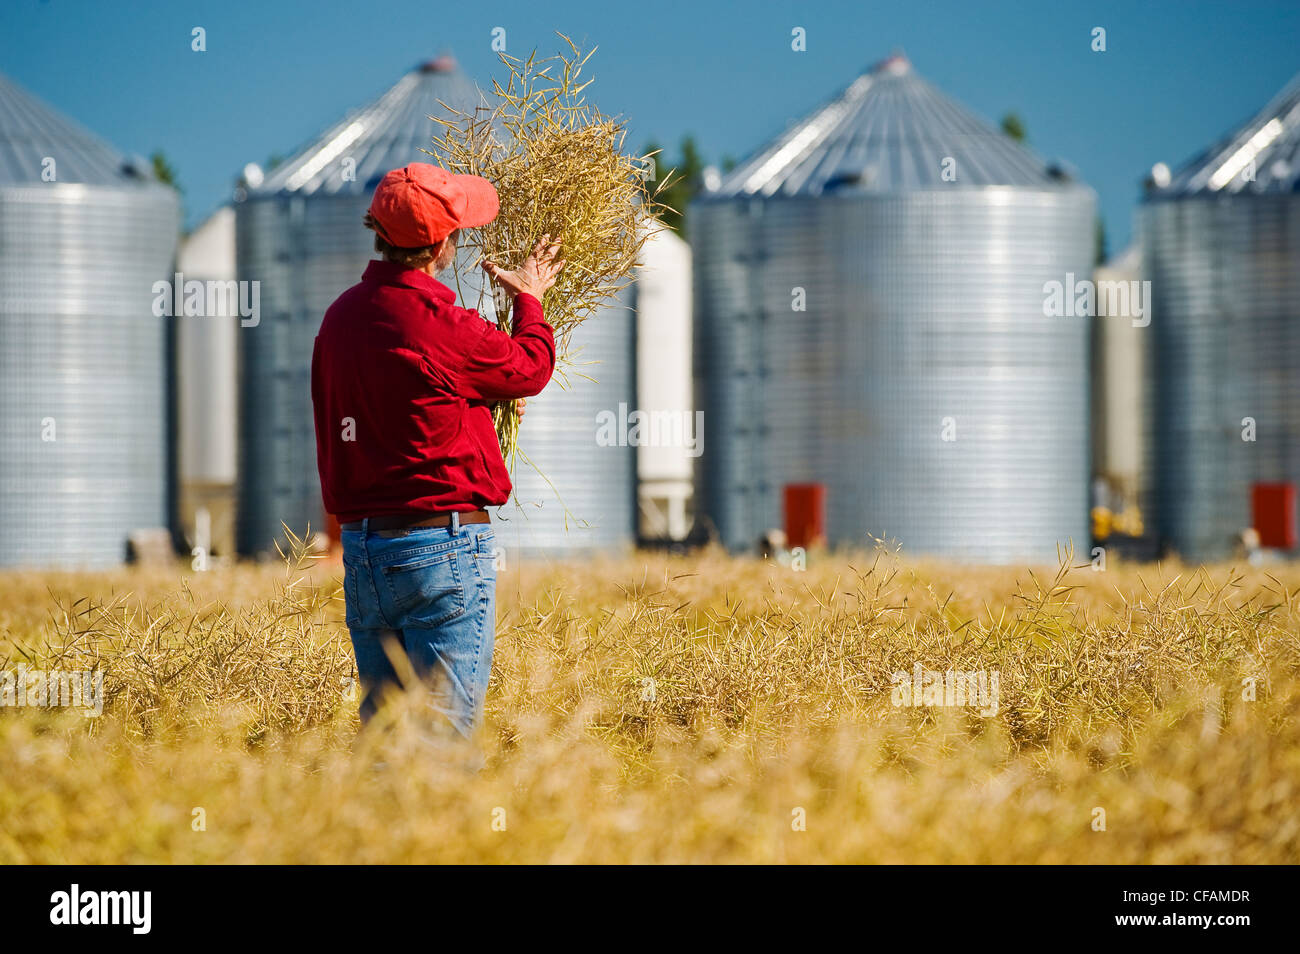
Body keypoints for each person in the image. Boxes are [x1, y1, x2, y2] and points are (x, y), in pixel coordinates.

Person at [311, 162, 563, 738]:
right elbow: (530, 367)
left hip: (364, 550)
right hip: (441, 547)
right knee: (443, 745)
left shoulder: (341, 317)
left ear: (377, 229)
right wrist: (530, 300)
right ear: (443, 243)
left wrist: (475, 409)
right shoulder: (443, 323)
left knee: (385, 739)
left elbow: (392, 411)